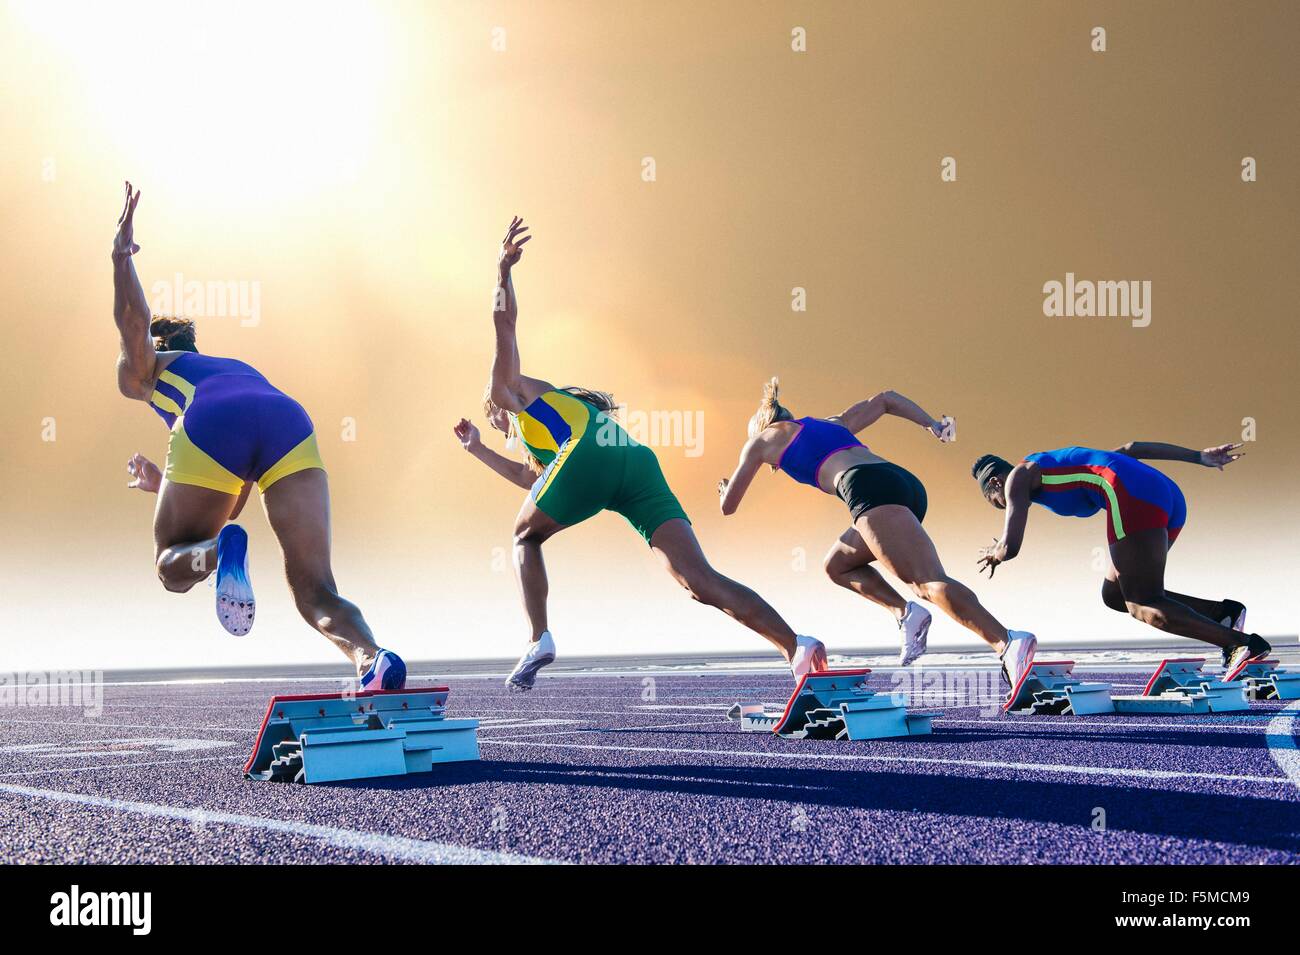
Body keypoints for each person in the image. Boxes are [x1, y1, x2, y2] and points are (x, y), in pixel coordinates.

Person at [454, 217, 825, 691]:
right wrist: (480, 451)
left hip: (588, 457)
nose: (501, 427)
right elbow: (536, 482)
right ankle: (795, 645)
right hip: (630, 461)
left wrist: (502, 270)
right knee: (698, 581)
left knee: (523, 537)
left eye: (495, 422)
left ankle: (538, 637)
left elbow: (503, 324)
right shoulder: (546, 426)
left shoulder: (509, 390)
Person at [111, 182, 404, 690]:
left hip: (211, 425)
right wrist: (169, 488)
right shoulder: (227, 367)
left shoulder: (151, 369)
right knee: (316, 589)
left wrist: (120, 259)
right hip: (288, 420)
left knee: (170, 566)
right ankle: (373, 660)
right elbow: (235, 504)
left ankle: (215, 555)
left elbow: (133, 324)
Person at [719, 378, 1037, 699]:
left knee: (926, 582)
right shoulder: (833, 424)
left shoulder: (759, 441)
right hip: (902, 483)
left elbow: (728, 507)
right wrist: (932, 425)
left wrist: (723, 489)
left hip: (867, 488)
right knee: (837, 565)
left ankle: (1006, 641)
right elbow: (885, 399)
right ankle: (905, 613)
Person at [971, 442, 1269, 677]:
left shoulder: (1017, 478)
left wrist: (995, 553)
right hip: (1166, 495)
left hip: (1131, 494)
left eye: (993, 501)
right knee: (1114, 594)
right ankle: (1222, 614)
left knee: (1142, 603)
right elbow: (1132, 449)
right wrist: (1198, 457)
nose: (1001, 506)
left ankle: (1239, 644)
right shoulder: (1052, 466)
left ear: (996, 482)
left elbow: (1010, 547)